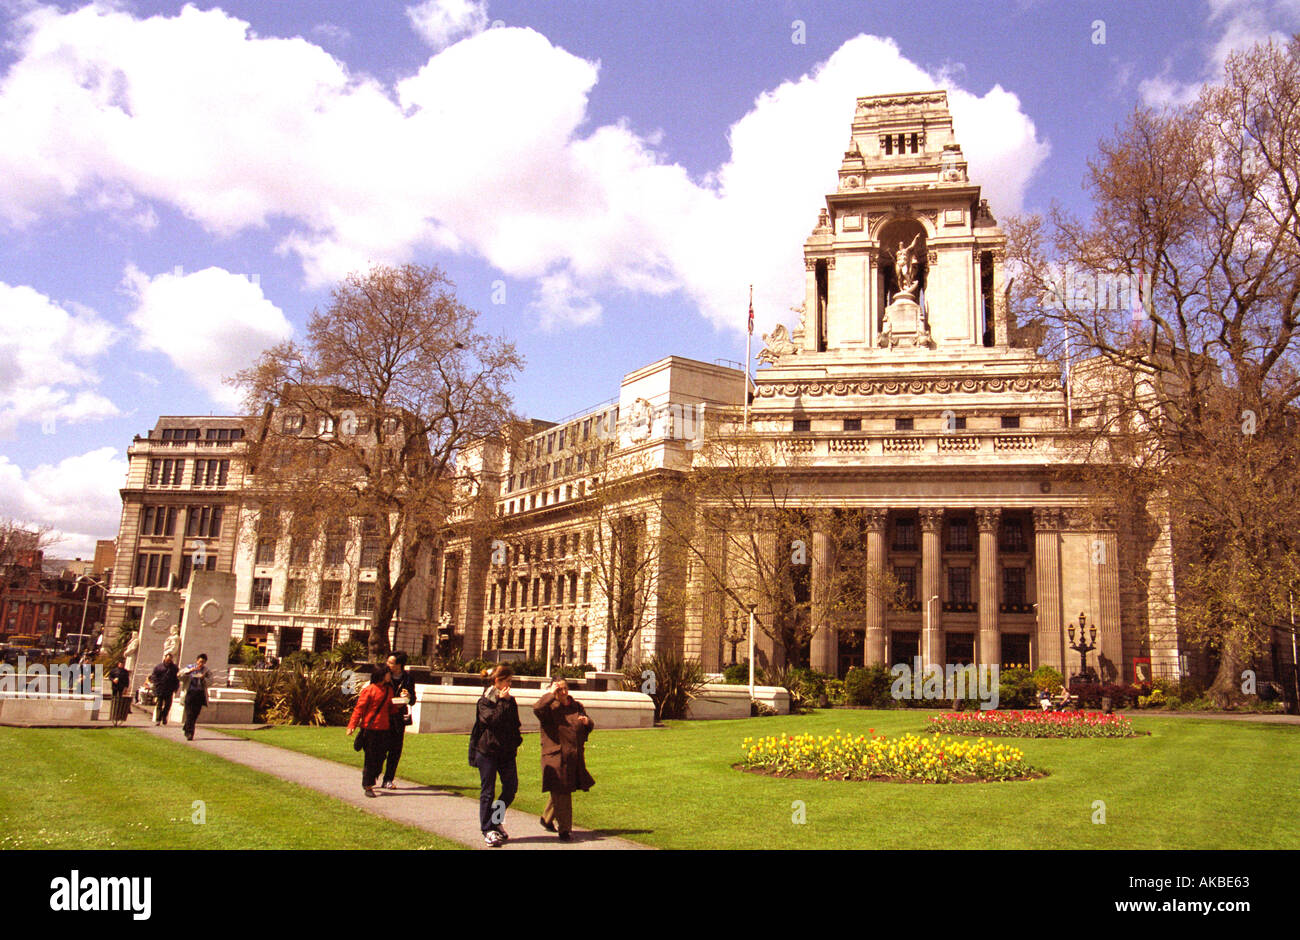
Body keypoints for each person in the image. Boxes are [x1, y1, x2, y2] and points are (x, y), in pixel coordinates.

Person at [533, 678, 595, 842]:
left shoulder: (576, 706)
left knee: (562, 788)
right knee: (563, 791)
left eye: (565, 688)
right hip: (555, 756)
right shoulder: (549, 707)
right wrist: (550, 694)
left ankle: (546, 818)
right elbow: (537, 709)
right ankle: (565, 830)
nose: (564, 692)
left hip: (573, 755)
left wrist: (587, 722)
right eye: (559, 689)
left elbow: (587, 723)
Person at [469, 665, 521, 847]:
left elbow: (515, 722)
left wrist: (516, 740)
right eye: (507, 681)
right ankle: (487, 829)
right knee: (488, 791)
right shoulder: (484, 701)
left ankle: (496, 820)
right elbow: (493, 721)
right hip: (488, 751)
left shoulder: (510, 701)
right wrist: (501, 702)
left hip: (506, 751)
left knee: (510, 788)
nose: (510, 684)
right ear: (497, 681)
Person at [346, 665, 393, 797]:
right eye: (388, 673)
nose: (390, 675)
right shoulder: (369, 690)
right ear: (382, 675)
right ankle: (368, 785)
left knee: (381, 757)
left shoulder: (389, 690)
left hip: (384, 728)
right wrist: (352, 726)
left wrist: (401, 701)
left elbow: (391, 709)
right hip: (370, 729)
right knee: (370, 758)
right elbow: (359, 709)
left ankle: (373, 777)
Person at [381, 652, 416, 790]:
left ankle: (388, 779)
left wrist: (408, 696)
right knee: (380, 749)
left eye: (391, 662)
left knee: (395, 750)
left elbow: (412, 701)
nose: (388, 665)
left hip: (398, 718)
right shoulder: (383, 676)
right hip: (384, 716)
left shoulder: (408, 679)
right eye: (388, 661)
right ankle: (373, 774)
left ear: (399, 665)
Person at [178, 653, 212, 741]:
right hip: (190, 693)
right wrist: (188, 672)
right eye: (200, 661)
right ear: (197, 661)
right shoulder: (189, 667)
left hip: (199, 694)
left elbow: (211, 681)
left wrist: (203, 678)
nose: (201, 664)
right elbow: (179, 676)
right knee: (189, 713)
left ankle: (187, 726)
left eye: (203, 662)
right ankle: (190, 733)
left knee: (195, 714)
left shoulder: (206, 671)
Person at [149, 652, 180, 725]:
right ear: (165, 658)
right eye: (167, 659)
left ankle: (164, 716)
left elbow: (177, 679)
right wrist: (157, 684)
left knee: (168, 705)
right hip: (160, 688)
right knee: (159, 705)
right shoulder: (159, 667)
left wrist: (176, 687)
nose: (168, 661)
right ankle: (158, 719)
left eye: (170, 659)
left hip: (169, 689)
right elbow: (154, 676)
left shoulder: (175, 668)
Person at [107, 659, 130, 726]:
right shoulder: (114, 670)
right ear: (118, 664)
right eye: (120, 664)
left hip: (121, 686)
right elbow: (110, 676)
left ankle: (118, 710)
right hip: (115, 686)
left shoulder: (125, 672)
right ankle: (113, 708)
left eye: (122, 664)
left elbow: (127, 680)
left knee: (120, 697)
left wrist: (126, 687)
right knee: (114, 696)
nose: (121, 665)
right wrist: (113, 680)